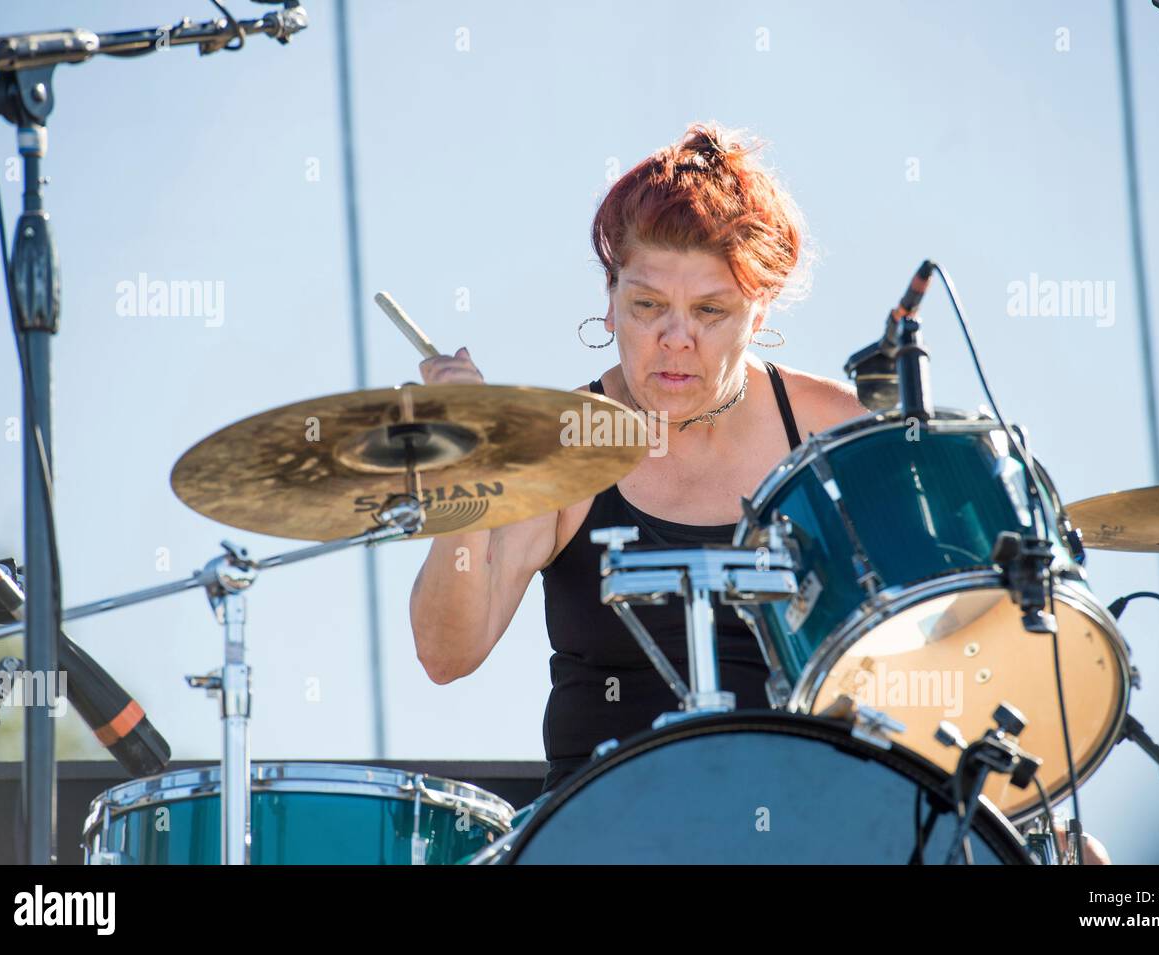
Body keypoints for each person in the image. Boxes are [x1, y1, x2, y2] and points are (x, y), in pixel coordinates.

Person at [408, 120, 1111, 863]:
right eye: (647, 306)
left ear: (762, 309)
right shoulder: (561, 441)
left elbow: (951, 645)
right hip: (600, 829)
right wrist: (465, 478)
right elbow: (446, 653)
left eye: (710, 311)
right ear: (610, 297)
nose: (676, 337)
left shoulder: (834, 431)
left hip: (811, 827)